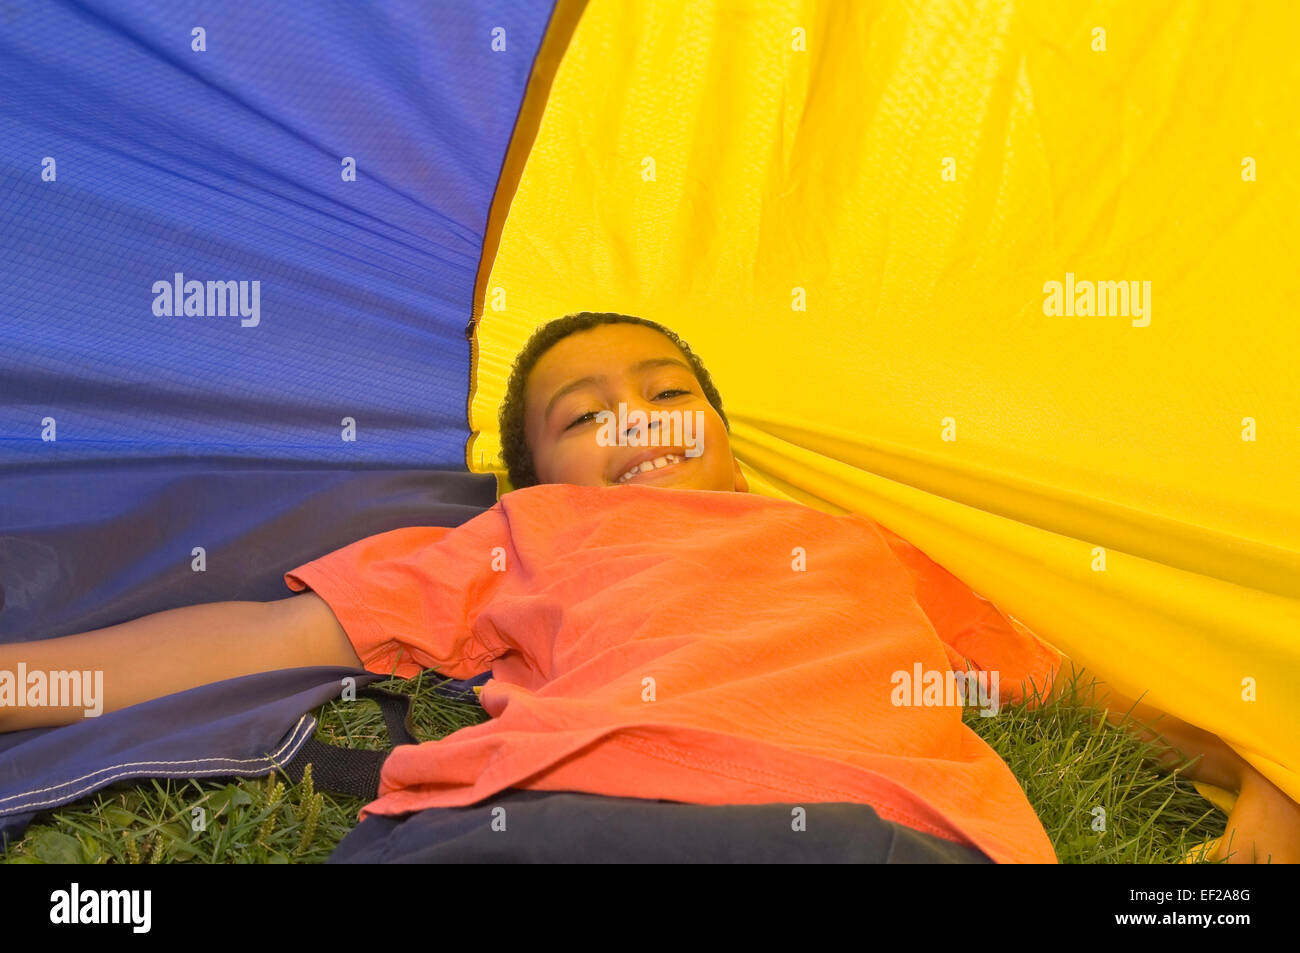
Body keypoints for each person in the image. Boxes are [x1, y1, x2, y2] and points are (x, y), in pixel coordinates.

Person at [3, 312, 1295, 863]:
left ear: (725, 432)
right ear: (538, 466)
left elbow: (1080, 683)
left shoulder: (862, 544)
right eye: (587, 411)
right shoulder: (530, 530)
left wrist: (1259, 775)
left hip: (875, 832)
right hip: (551, 821)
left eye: (670, 392)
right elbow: (267, 631)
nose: (638, 419)